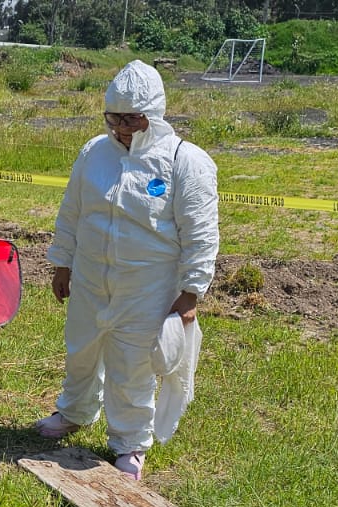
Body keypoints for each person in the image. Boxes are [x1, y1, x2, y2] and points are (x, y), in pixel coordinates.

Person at [34, 60, 220, 479]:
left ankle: (130, 443)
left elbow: (201, 230)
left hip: (147, 287)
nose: (120, 126)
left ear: (152, 114)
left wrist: (191, 291)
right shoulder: (93, 153)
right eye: (114, 116)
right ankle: (75, 412)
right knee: (80, 349)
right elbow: (72, 212)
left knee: (131, 365)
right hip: (90, 278)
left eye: (131, 118)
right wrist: (62, 262)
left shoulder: (182, 161)